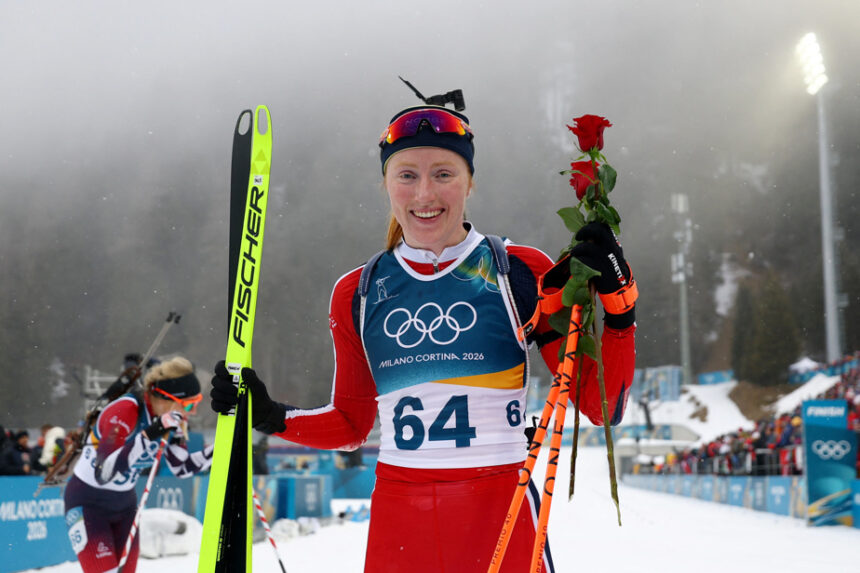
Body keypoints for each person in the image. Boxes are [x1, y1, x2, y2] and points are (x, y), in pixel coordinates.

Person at [211, 92, 637, 572]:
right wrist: (269, 414)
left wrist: (620, 311)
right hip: (401, 516)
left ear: (470, 182)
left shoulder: (519, 272)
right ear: (386, 185)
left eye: (444, 174)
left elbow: (601, 407)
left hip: (501, 505)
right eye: (407, 175)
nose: (424, 195)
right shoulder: (359, 292)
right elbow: (353, 425)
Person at [64, 356, 213, 573]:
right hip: (88, 505)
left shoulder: (173, 419)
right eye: (189, 404)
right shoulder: (125, 410)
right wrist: (153, 431)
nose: (192, 411)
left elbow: (181, 468)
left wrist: (220, 451)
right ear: (164, 398)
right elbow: (104, 472)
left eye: (196, 403)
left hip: (125, 507)